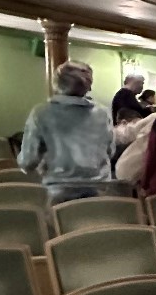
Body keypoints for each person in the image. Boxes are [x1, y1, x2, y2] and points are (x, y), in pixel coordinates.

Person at [17, 61, 113, 203]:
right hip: (99, 189)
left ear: (56, 83)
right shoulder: (103, 113)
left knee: (58, 225)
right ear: (88, 85)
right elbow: (110, 150)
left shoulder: (41, 113)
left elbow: (28, 160)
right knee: (99, 225)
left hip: (59, 190)